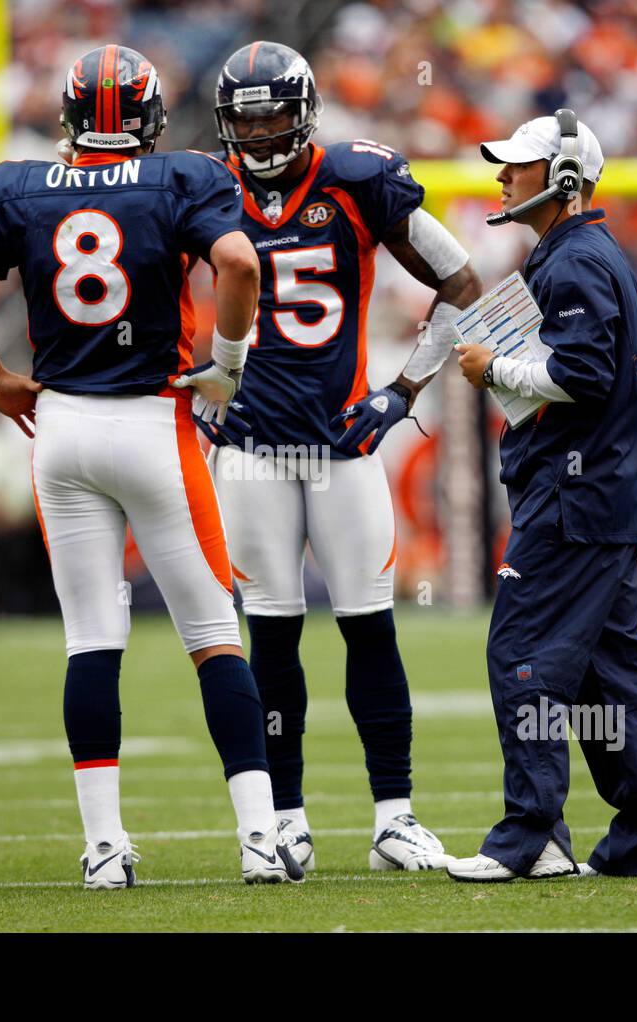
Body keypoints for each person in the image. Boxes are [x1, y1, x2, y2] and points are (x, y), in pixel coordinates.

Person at [0, 44, 303, 888]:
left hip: (58, 431)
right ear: (148, 116)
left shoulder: (15, 184)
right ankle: (257, 839)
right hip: (153, 421)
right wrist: (230, 364)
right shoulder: (179, 178)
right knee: (212, 635)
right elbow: (240, 262)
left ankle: (102, 850)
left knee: (92, 641)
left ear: (69, 114)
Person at [203, 40, 483, 872]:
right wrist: (199, 388)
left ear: (305, 112)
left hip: (339, 444)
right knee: (274, 639)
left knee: (370, 629)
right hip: (251, 448)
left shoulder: (356, 178)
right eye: (243, 121)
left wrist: (402, 391)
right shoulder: (205, 187)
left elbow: (462, 284)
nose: (257, 137)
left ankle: (393, 817)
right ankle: (285, 819)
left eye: (272, 117)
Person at [449, 111, 637, 881]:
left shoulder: (576, 260)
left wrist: (495, 368)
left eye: (518, 165)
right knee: (610, 672)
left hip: (576, 496)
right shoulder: (585, 252)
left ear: (565, 177)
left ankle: (531, 836)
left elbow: (582, 374)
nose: (503, 175)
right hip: (601, 494)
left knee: (522, 652)